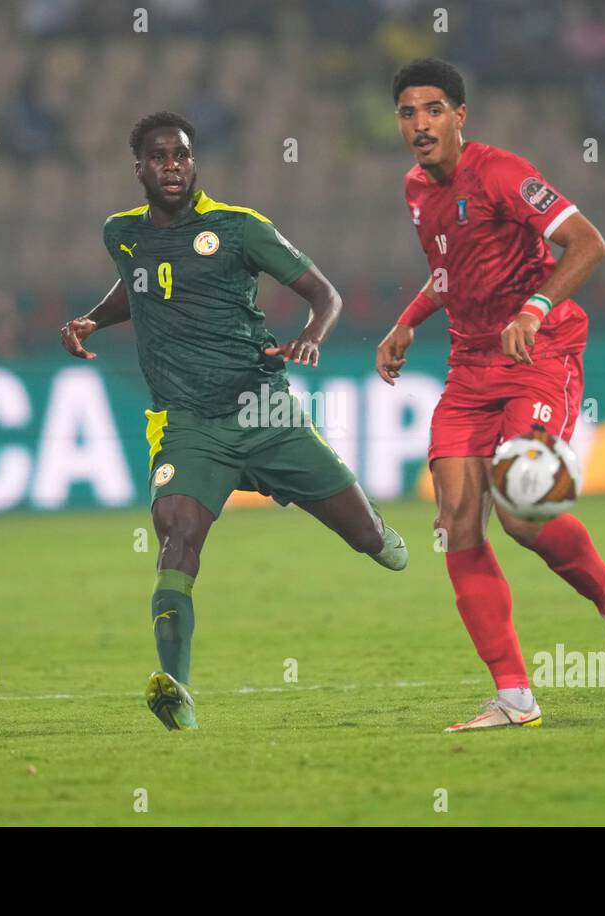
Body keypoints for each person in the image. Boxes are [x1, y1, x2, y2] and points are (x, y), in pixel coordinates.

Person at [60, 111, 408, 731]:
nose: (173, 166)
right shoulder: (122, 234)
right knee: (176, 539)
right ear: (137, 167)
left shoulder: (240, 228)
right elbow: (139, 287)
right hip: (187, 422)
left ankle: (376, 528)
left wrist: (310, 336)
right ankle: (177, 688)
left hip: (265, 409)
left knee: (370, 543)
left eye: (183, 155)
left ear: (195, 164)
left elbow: (325, 294)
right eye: (160, 156)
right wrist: (92, 319)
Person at [375, 59, 605, 732]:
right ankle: (514, 696)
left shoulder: (502, 173)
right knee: (455, 522)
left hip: (539, 351)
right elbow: (449, 271)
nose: (421, 124)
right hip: (470, 366)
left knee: (524, 511)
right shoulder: (416, 189)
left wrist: (533, 307)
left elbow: (588, 244)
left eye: (434, 109)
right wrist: (406, 321)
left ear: (460, 116)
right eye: (409, 112)